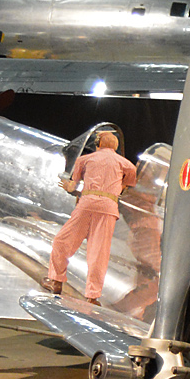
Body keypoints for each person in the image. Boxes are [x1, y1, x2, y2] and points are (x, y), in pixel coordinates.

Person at [43, 130, 139, 304]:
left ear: (98, 144)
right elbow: (129, 182)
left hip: (87, 204)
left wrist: (67, 185)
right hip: (109, 208)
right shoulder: (126, 164)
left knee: (62, 241)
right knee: (99, 253)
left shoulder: (84, 160)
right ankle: (92, 296)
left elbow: (72, 186)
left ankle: (55, 281)